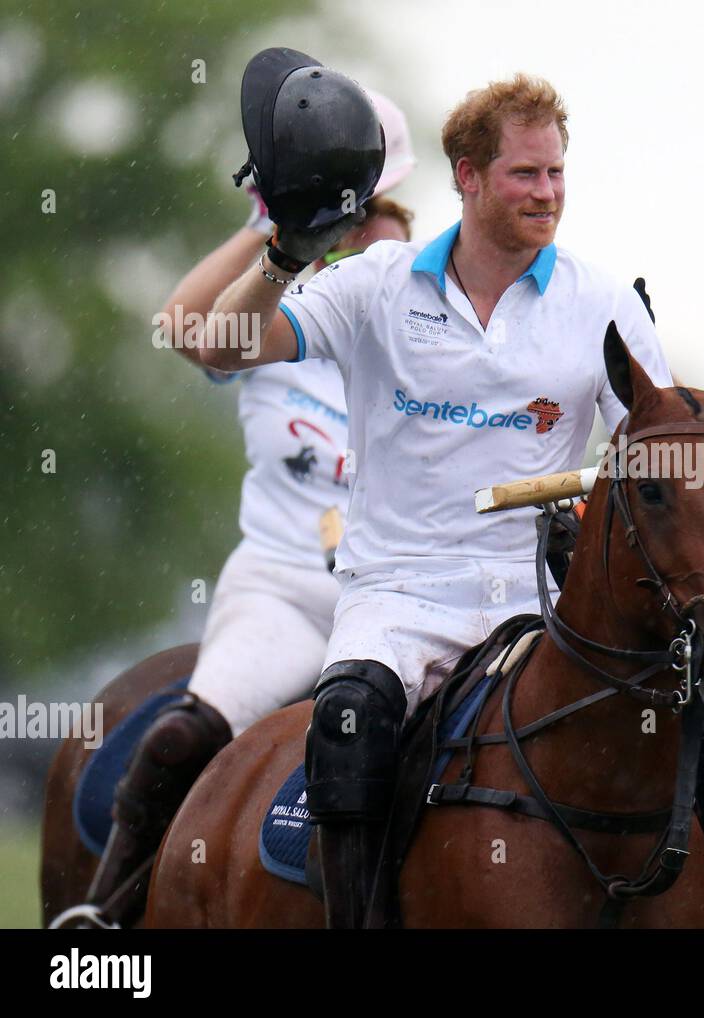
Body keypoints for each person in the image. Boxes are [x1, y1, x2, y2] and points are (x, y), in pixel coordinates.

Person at [200, 74, 693, 927]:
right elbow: (225, 347)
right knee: (351, 720)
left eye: (556, 174)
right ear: (467, 177)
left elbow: (660, 454)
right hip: (399, 595)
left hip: (541, 605)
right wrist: (283, 256)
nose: (546, 194)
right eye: (524, 175)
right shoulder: (375, 284)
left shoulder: (604, 302)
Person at [79, 83, 417, 928]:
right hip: (284, 592)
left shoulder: (426, 331)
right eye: (353, 238)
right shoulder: (283, 322)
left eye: (390, 245)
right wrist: (272, 220)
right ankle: (100, 920)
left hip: (398, 602)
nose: (372, 263)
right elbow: (181, 324)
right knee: (179, 740)